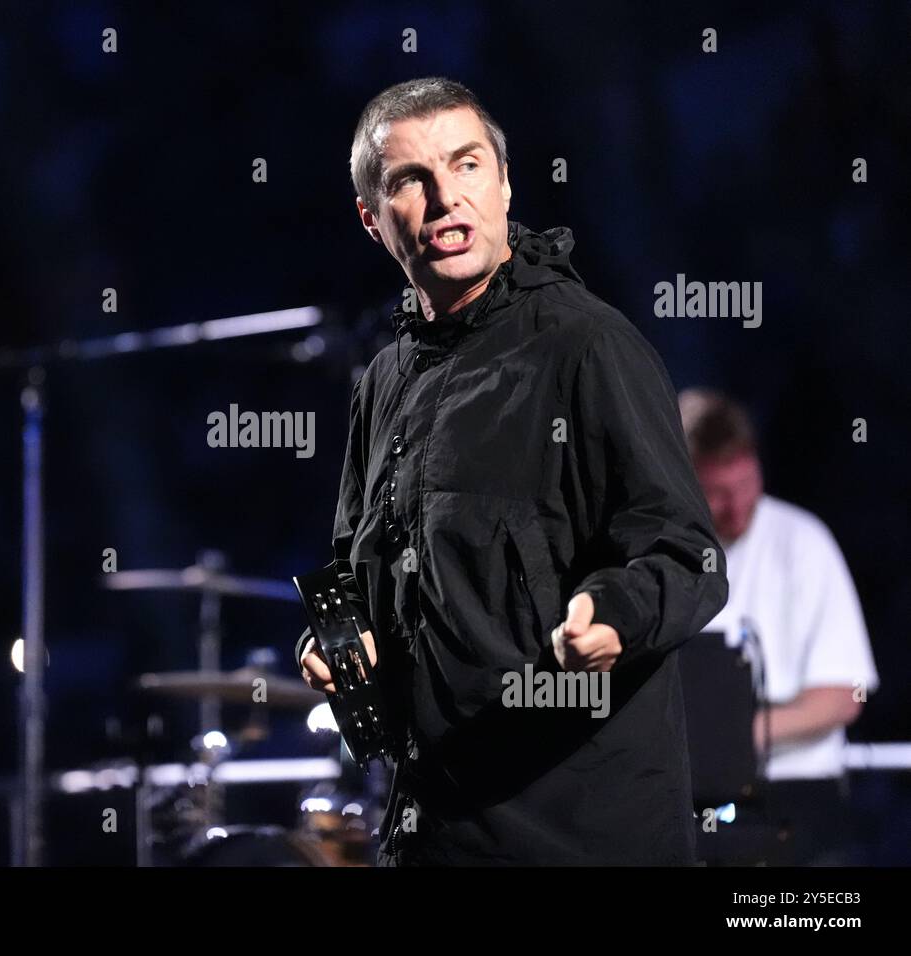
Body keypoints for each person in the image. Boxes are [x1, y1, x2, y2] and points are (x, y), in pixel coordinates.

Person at [296, 77, 728, 865]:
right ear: (372, 219)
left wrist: (614, 613)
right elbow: (355, 569)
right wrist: (336, 637)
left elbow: (686, 555)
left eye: (466, 164)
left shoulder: (587, 346)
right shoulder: (383, 381)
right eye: (411, 180)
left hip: (580, 838)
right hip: (432, 832)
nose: (445, 197)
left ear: (504, 184)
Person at [679, 388, 878, 864]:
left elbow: (844, 694)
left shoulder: (804, 542)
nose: (737, 507)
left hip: (794, 794)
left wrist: (727, 736)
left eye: (746, 484)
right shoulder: (663, 551)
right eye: (717, 493)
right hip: (686, 796)